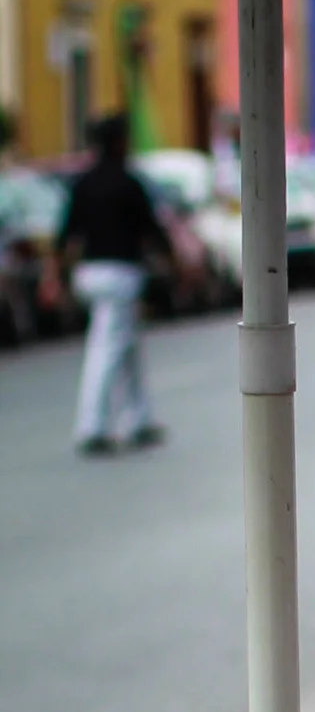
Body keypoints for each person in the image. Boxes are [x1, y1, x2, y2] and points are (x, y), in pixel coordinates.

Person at [59, 111, 173, 459]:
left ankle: (139, 418)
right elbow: (152, 230)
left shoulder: (82, 183)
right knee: (106, 349)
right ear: (119, 143)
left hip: (89, 275)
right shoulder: (129, 182)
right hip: (120, 276)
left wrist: (58, 277)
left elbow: (66, 235)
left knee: (127, 346)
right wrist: (172, 262)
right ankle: (91, 425)